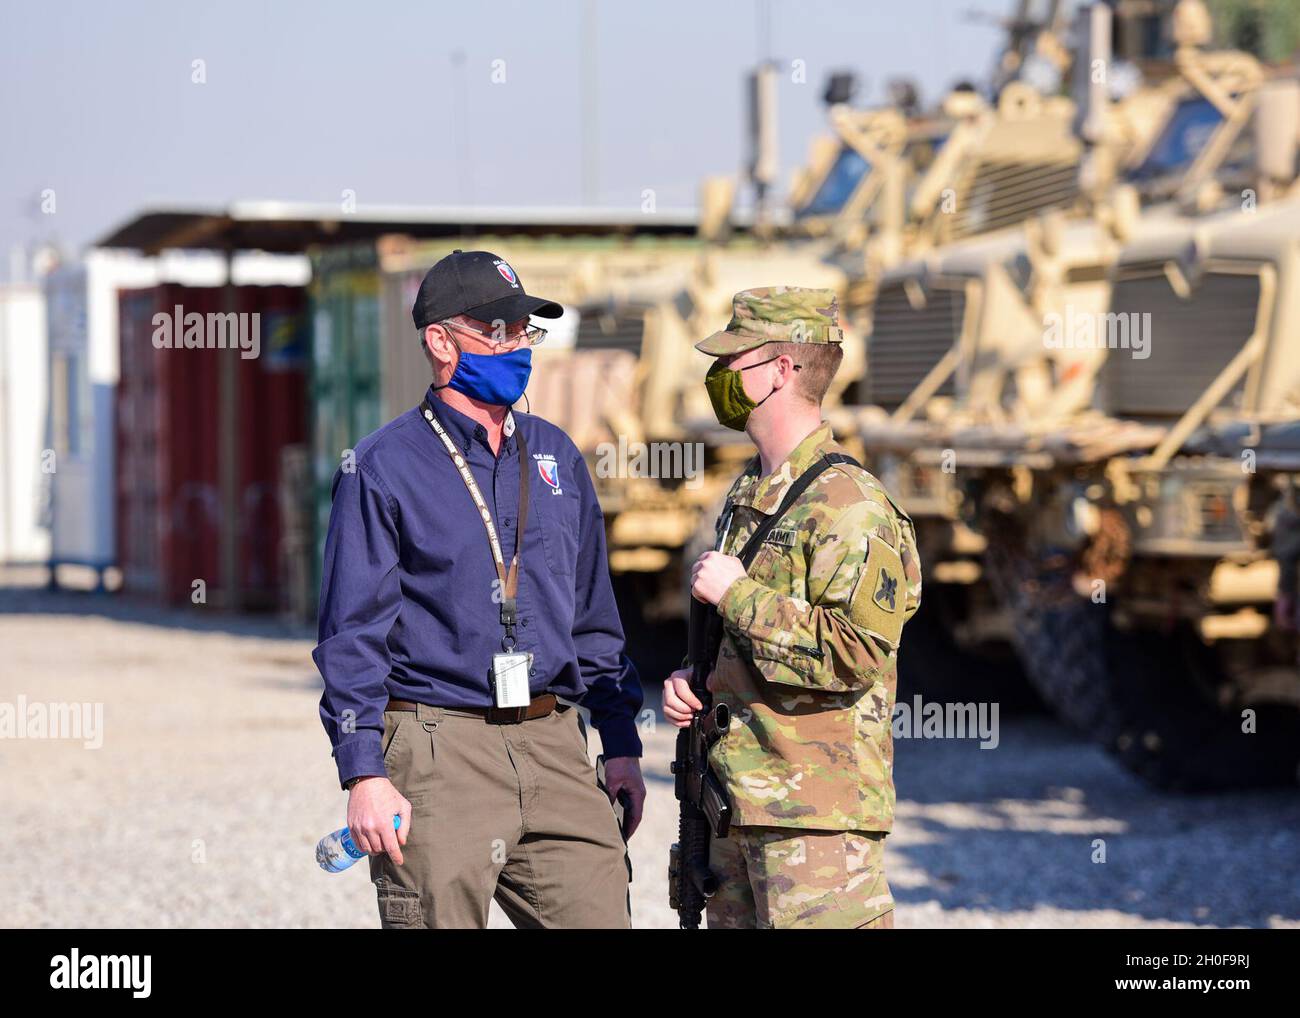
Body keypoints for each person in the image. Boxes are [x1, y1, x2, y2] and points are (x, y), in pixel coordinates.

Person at [314, 249, 645, 929]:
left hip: (554, 740)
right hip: (439, 749)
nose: (516, 345)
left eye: (524, 331)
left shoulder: (556, 456)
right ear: (439, 341)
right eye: (496, 330)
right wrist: (364, 772)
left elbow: (594, 620)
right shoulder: (382, 467)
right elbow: (352, 637)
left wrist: (621, 746)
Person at [663, 286, 922, 929]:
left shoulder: (850, 504)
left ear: (781, 370)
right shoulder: (751, 493)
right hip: (734, 805)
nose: (719, 376)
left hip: (815, 826)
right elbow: (740, 638)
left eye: (735, 361)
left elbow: (853, 654)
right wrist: (692, 679)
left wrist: (740, 596)